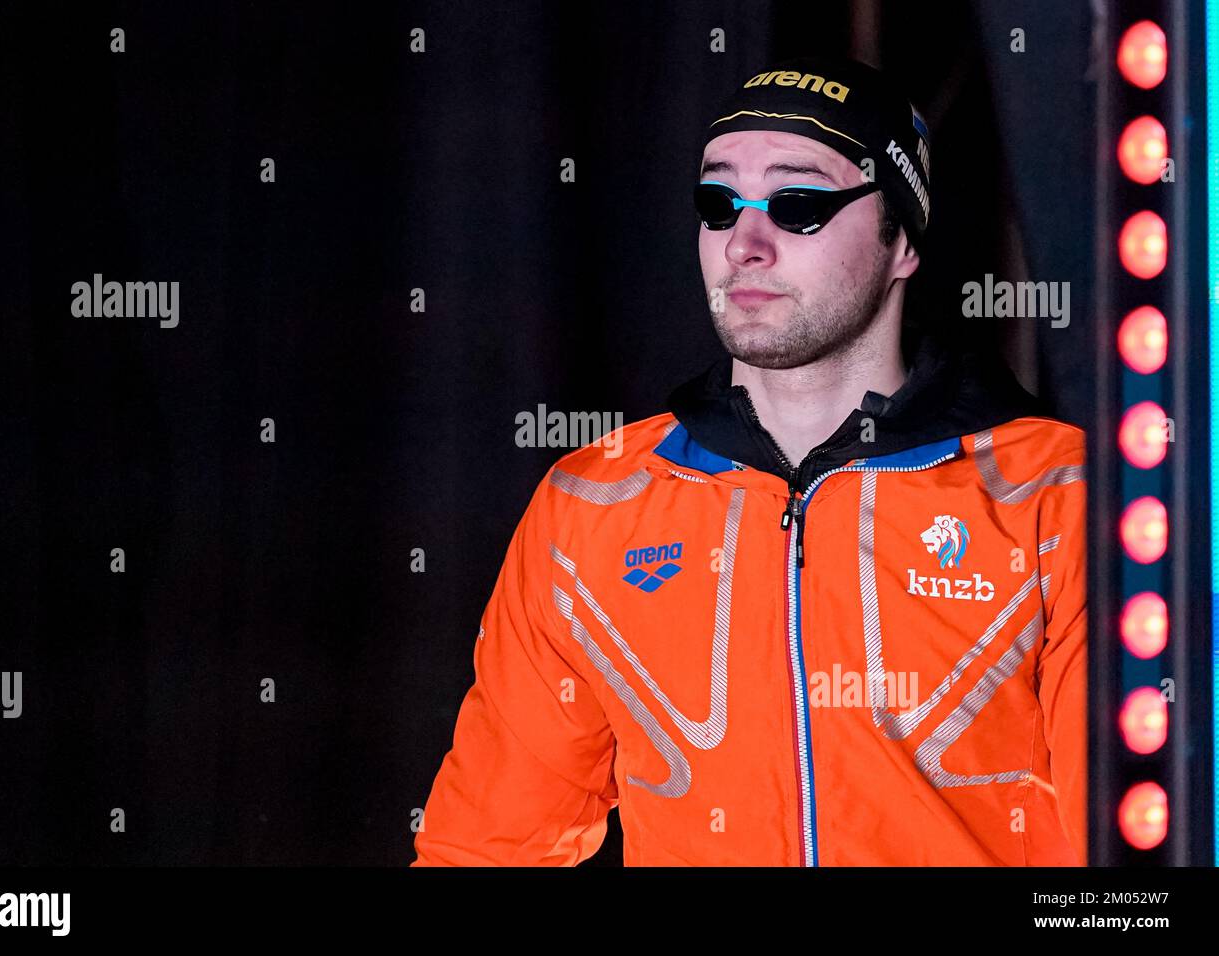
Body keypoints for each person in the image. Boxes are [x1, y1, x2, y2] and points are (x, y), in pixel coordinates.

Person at [412, 55, 1087, 866]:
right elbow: (485, 850)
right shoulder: (592, 504)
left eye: (798, 205)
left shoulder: (1051, 492)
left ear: (901, 241)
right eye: (718, 202)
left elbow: (1139, 864)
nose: (745, 243)